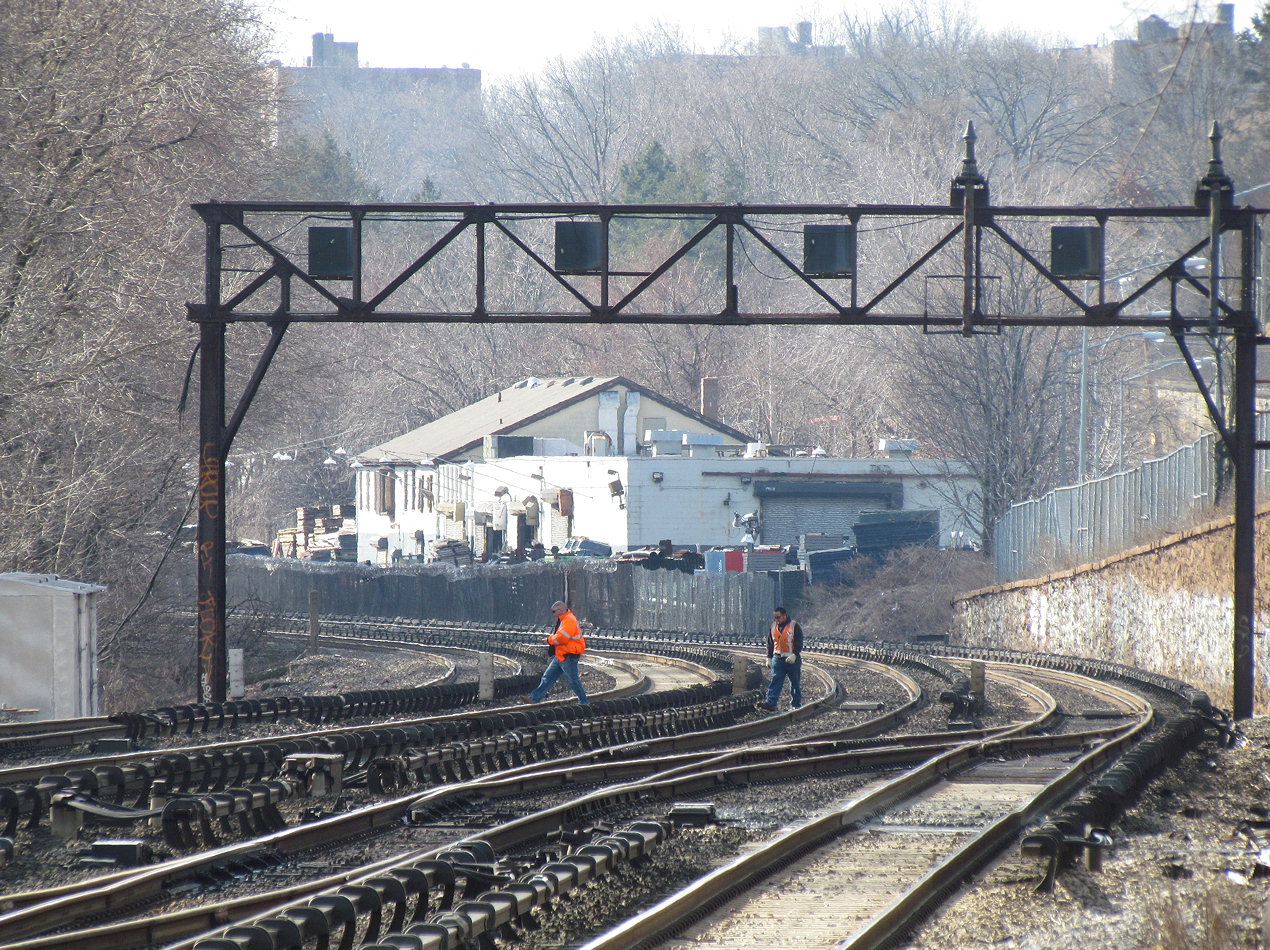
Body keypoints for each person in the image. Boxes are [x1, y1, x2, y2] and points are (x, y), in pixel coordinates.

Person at [526, 600, 589, 705]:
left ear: (560, 610)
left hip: (568, 656)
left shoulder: (569, 620)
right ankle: (534, 698)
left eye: (554, 612)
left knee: (573, 681)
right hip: (560, 655)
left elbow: (562, 639)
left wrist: (549, 639)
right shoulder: (564, 620)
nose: (553, 614)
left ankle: (584, 702)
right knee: (547, 677)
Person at [758, 605, 803, 711]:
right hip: (778, 658)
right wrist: (769, 657)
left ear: (784, 616)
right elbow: (770, 643)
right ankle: (771, 703)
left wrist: (795, 654)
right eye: (775, 617)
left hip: (792, 659)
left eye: (778, 617)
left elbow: (799, 641)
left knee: (795, 682)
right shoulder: (773, 626)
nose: (776, 620)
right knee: (775, 680)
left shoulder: (794, 626)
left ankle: (796, 704)